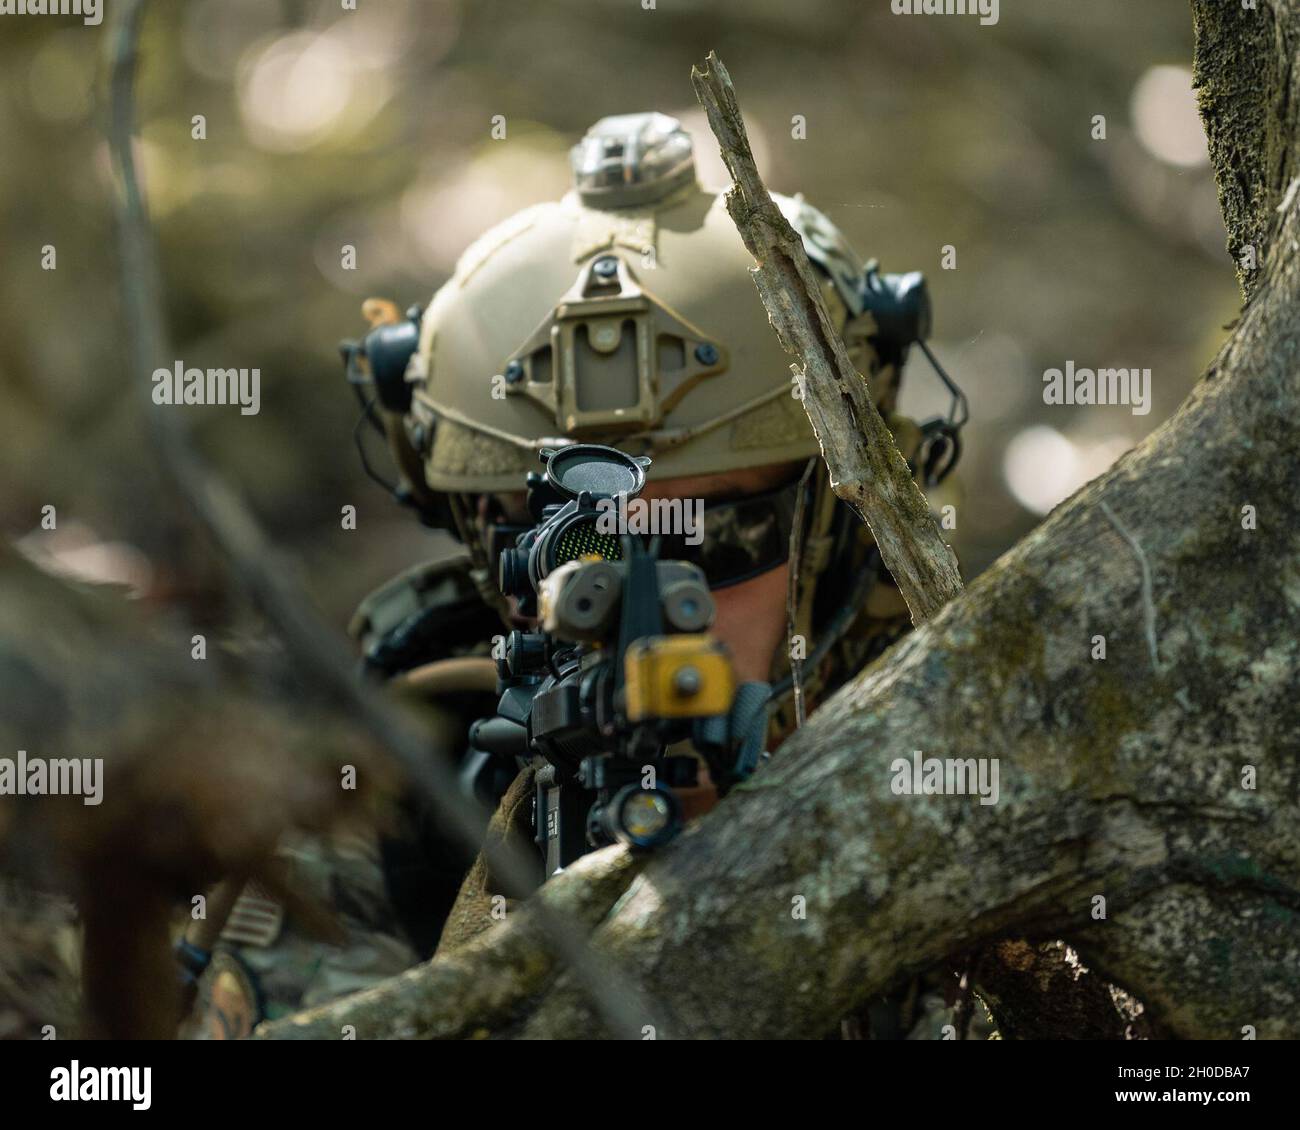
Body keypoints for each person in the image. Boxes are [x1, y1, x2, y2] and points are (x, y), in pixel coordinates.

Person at [196, 110, 965, 1039]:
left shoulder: (957, 745)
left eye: (713, 539)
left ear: (842, 521)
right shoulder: (394, 799)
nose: (633, 610)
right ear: (480, 539)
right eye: (561, 545)